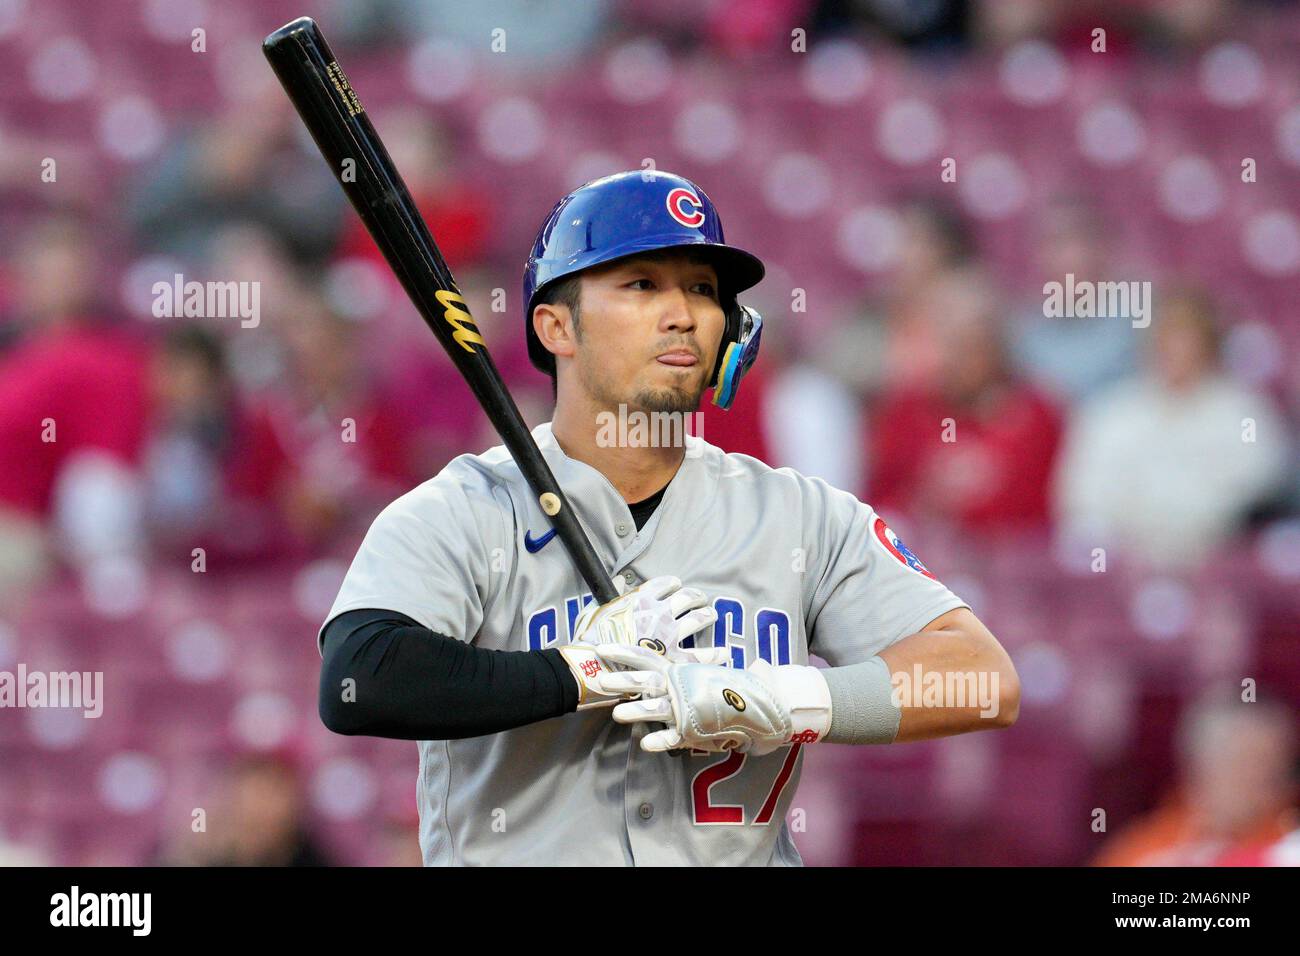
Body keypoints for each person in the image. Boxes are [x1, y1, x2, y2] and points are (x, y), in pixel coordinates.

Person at [317, 170, 1020, 866]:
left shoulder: (799, 515)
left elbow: (982, 680)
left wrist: (781, 697)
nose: (682, 313)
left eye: (703, 290)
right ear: (556, 324)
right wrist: (585, 671)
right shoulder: (466, 509)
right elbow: (361, 679)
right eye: (643, 285)